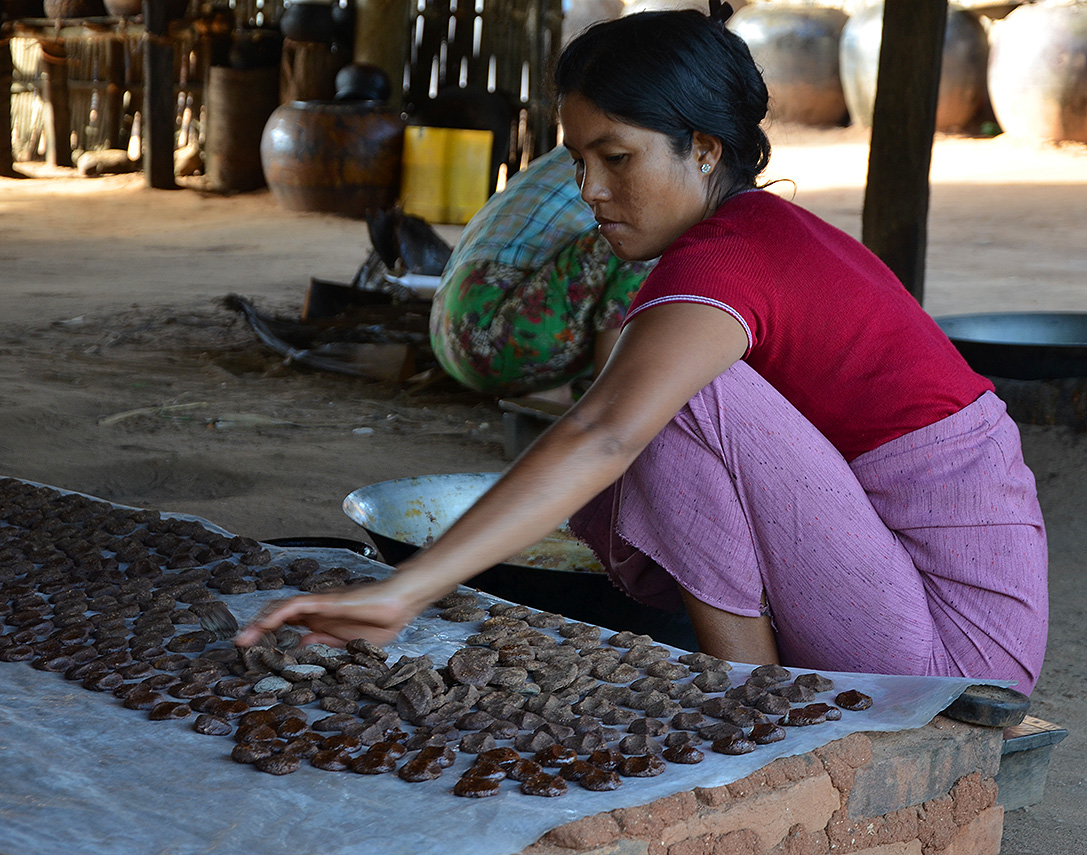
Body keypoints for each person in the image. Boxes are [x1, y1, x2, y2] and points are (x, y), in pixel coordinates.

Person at [239, 7, 1049, 694]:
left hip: (954, 657)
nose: (589, 190)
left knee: (677, 394)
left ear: (702, 148)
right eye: (578, 161)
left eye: (616, 158)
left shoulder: (729, 258)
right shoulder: (759, 235)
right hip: (923, 615)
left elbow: (604, 432)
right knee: (655, 382)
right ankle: (751, 688)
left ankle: (750, 703)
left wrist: (404, 590)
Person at [429, 144, 655, 396]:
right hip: (495, 328)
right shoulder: (641, 148)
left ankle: (565, 391)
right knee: (635, 239)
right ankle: (611, 401)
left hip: (448, 332)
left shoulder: (581, 144)